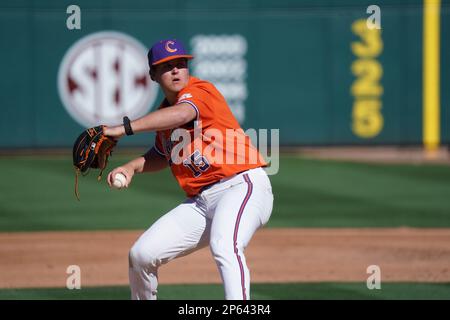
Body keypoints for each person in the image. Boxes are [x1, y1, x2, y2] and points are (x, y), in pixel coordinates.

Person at [103, 39, 274, 300]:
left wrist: (122, 128)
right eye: (167, 66)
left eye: (181, 64)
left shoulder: (200, 90)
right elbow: (162, 153)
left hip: (242, 185)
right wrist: (130, 167)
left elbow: (183, 114)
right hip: (201, 202)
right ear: (153, 75)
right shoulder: (163, 115)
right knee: (142, 254)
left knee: (224, 245)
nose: (176, 70)